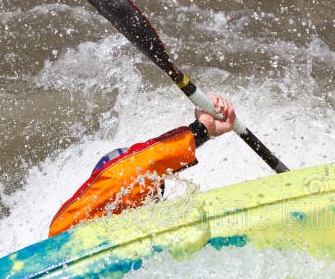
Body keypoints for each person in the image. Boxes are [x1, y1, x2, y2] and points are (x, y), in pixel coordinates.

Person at [48, 95, 236, 237]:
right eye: (144, 189)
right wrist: (201, 131)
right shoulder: (66, 226)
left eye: (156, 191)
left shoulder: (158, 235)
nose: (152, 195)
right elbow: (130, 170)